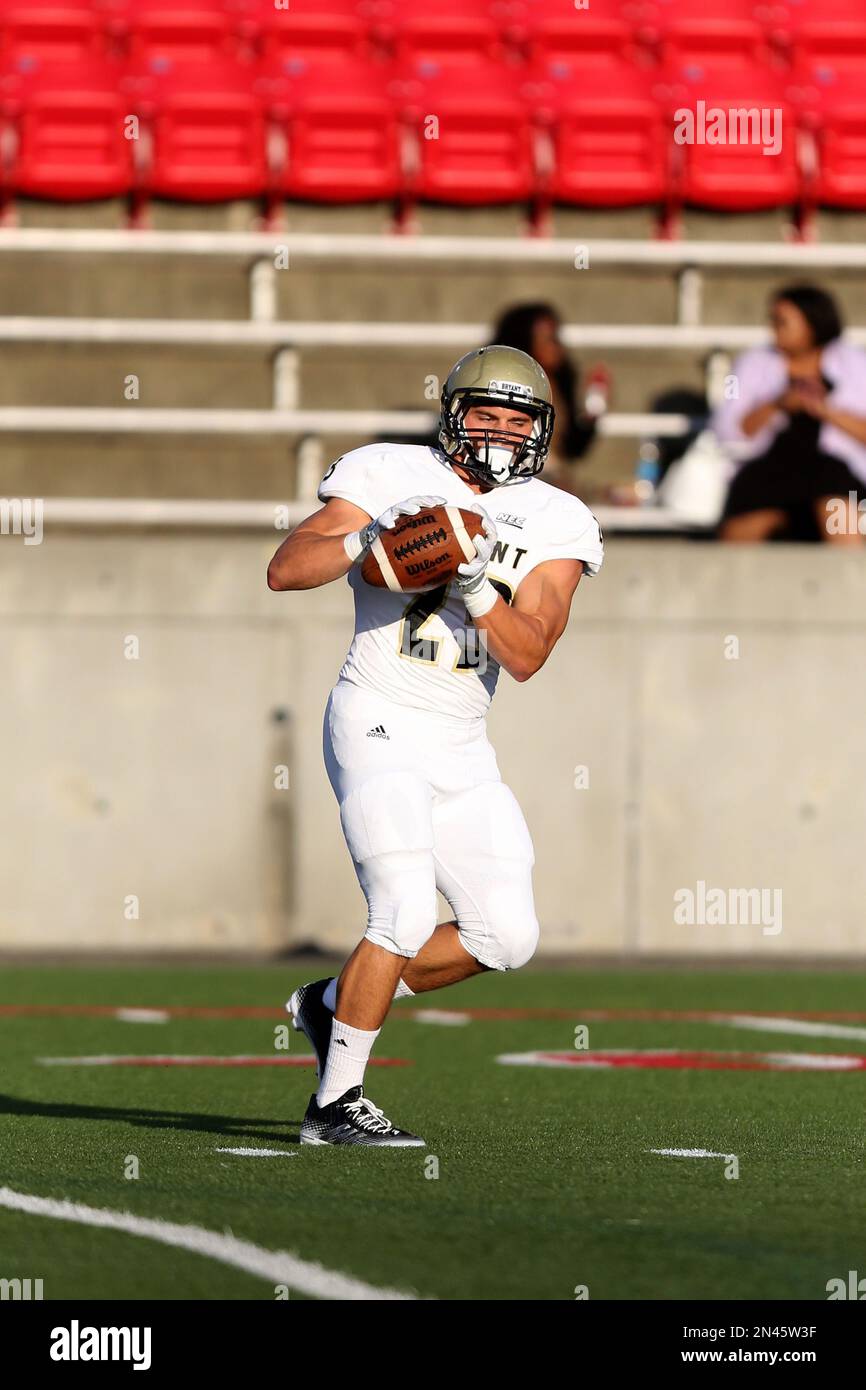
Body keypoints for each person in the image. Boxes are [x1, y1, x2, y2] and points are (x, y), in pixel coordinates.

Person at [266, 344, 604, 1146]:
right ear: (451, 414)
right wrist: (369, 540)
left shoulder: (561, 518)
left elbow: (526, 654)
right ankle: (333, 1102)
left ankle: (328, 1003)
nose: (498, 429)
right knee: (405, 908)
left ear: (540, 429)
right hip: (377, 714)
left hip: (461, 743)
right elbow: (285, 569)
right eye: (483, 411)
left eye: (515, 416)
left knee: (506, 936)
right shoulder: (386, 471)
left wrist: (478, 582)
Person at [713, 285, 866, 543]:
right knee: (741, 531)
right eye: (772, 320)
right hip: (768, 471)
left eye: (781, 321)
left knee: (840, 515)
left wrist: (824, 411)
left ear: (812, 324)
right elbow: (725, 427)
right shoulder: (747, 364)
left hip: (836, 473)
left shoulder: (857, 364)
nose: (773, 328)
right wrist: (777, 404)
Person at [491, 303, 606, 490]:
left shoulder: (558, 383)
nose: (557, 346)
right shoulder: (503, 386)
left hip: (553, 480)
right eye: (549, 339)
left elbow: (571, 449)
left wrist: (594, 409)